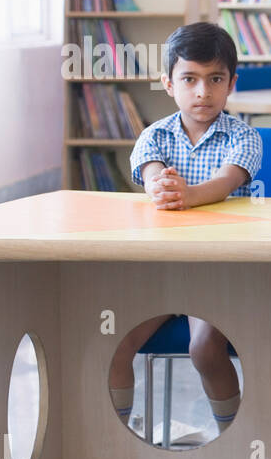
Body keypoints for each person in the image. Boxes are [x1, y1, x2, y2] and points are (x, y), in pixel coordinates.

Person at [108, 22, 263, 437]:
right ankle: (117, 438)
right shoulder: (153, 136)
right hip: (162, 268)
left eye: (215, 80)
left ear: (231, 83)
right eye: (189, 79)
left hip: (219, 269)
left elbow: (226, 182)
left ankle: (231, 436)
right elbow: (154, 177)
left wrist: (188, 194)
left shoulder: (244, 137)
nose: (202, 92)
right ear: (168, 83)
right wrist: (162, 186)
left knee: (205, 347)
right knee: (115, 344)